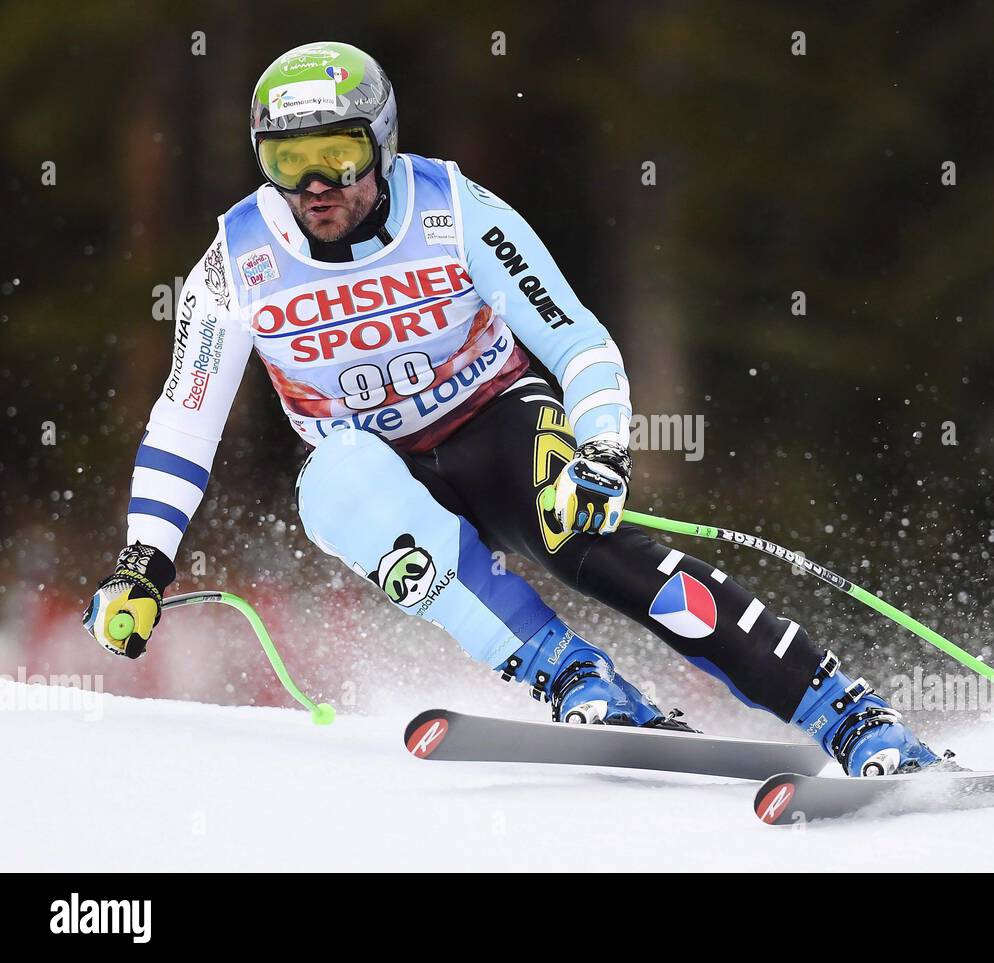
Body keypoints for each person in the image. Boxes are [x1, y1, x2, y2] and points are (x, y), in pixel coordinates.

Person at [82, 41, 941, 776]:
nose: (315, 185)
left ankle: (848, 713)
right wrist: (141, 564)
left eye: (338, 155)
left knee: (580, 534)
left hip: (494, 422)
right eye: (286, 160)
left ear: (380, 145)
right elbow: (184, 422)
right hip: (379, 471)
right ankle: (575, 680)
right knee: (334, 482)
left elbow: (579, 342)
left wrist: (601, 451)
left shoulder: (453, 209)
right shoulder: (237, 261)